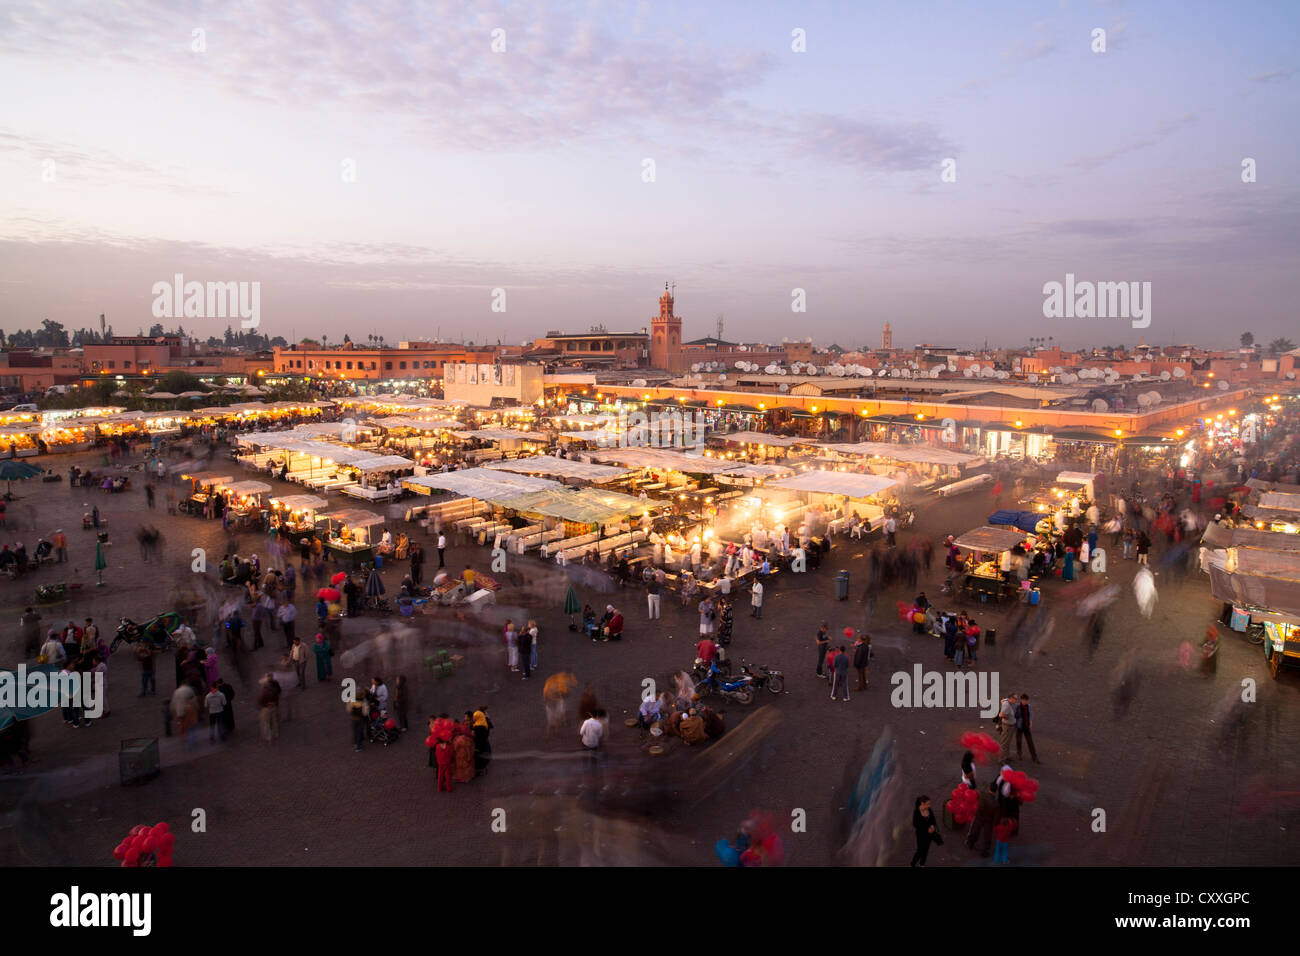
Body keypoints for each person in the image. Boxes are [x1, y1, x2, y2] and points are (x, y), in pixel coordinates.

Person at [910, 796, 941, 866]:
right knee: (920, 851)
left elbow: (933, 820)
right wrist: (927, 829)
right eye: (928, 804)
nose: (929, 805)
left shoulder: (929, 810)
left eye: (929, 804)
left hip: (929, 834)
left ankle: (922, 864)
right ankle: (912, 864)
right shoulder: (917, 813)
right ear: (922, 803)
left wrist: (933, 826)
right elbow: (915, 824)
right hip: (921, 835)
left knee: (926, 850)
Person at [1015, 693, 1040, 764]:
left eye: (1026, 700)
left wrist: (1030, 722)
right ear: (1021, 700)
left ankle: (1034, 757)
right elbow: (1014, 715)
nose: (1025, 702)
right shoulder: (1017, 706)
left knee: (1030, 742)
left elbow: (1030, 714)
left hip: (1026, 726)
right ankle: (1019, 754)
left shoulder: (1028, 706)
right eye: (1024, 700)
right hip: (1020, 726)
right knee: (1019, 741)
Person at [258, 673, 281, 743]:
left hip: (266, 709)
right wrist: (275, 704)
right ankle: (276, 734)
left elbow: (260, 701)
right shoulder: (274, 690)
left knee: (266, 723)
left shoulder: (263, 692)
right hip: (274, 707)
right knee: (274, 721)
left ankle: (269, 737)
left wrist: (265, 705)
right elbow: (277, 697)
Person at [472, 707, 493, 775]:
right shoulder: (483, 721)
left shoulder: (479, 725)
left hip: (480, 743)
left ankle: (481, 770)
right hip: (484, 742)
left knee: (480, 756)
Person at [997, 691, 1017, 761]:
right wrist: (1006, 718)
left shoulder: (1006, 701)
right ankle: (1001, 759)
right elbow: (1000, 715)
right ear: (1011, 698)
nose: (1016, 700)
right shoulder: (1007, 705)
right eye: (1015, 698)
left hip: (1010, 726)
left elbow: (1002, 700)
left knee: (1007, 742)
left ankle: (1007, 756)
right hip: (1007, 727)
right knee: (1004, 743)